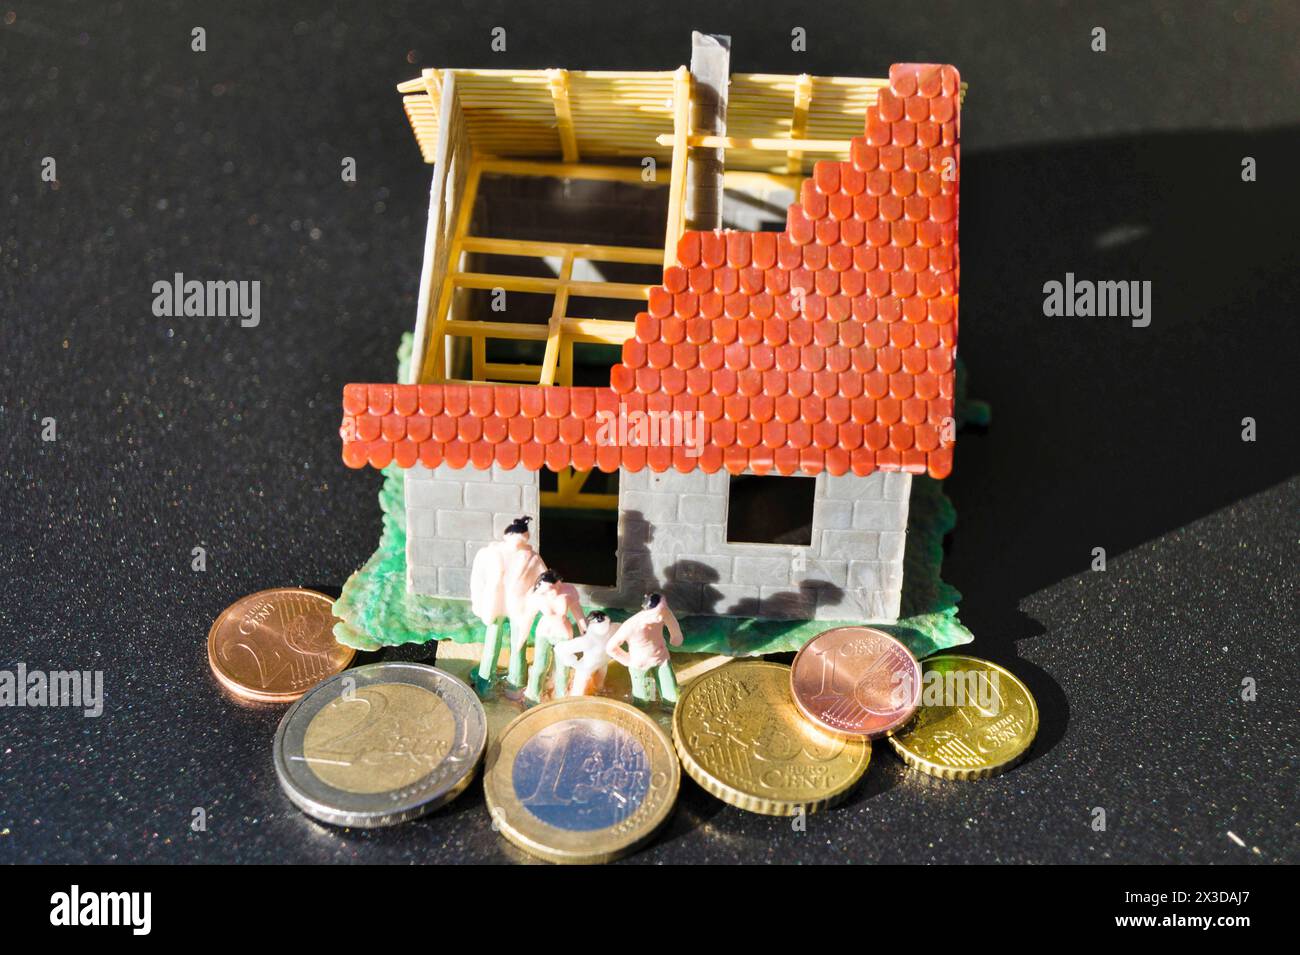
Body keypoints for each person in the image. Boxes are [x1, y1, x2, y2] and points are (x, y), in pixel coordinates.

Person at [469, 516, 546, 684]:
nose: (519, 541)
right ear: (507, 536)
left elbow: (543, 582)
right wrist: (478, 601)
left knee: (518, 643)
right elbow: (478, 579)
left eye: (523, 537)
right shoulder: (490, 553)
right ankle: (485, 680)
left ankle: (516, 681)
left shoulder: (531, 558)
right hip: (495, 603)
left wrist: (535, 602)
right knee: (492, 641)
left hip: (519, 605)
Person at [605, 593, 683, 703]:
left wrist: (676, 636)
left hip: (661, 658)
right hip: (640, 664)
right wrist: (627, 660)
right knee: (643, 696)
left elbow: (671, 622)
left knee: (671, 693)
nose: (660, 617)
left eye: (661, 612)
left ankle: (670, 707)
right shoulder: (631, 626)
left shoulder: (663, 612)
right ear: (647, 612)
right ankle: (645, 708)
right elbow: (610, 647)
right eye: (657, 614)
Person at [524, 570, 586, 702]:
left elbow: (578, 613)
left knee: (563, 668)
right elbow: (528, 618)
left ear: (558, 584)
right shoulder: (537, 596)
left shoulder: (568, 591)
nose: (548, 593)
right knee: (539, 665)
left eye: (551, 589)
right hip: (543, 633)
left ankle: (561, 697)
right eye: (544, 590)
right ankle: (532, 695)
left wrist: (585, 632)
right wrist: (521, 638)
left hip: (563, 634)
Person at [554, 611, 615, 697]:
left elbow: (560, 649)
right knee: (599, 684)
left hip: (587, 666)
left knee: (578, 692)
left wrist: (574, 663)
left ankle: (577, 701)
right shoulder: (614, 629)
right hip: (603, 662)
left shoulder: (587, 640)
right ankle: (599, 690)